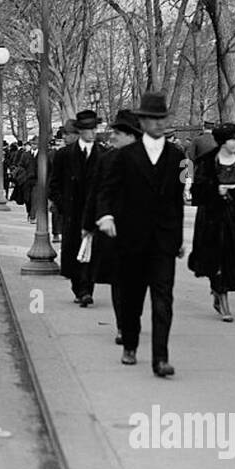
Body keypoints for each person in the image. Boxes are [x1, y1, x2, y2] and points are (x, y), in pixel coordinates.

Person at [94, 92, 186, 377]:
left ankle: (161, 357)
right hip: (131, 239)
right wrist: (106, 216)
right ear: (143, 122)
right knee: (133, 297)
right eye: (152, 119)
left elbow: (177, 199)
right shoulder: (125, 156)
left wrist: (179, 238)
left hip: (163, 240)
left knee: (163, 299)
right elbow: (108, 190)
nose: (158, 124)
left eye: (162, 119)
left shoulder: (177, 156)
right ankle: (130, 345)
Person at [188, 122, 235, 322]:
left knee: (233, 257)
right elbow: (197, 192)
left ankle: (220, 289)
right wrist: (215, 190)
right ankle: (222, 298)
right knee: (217, 256)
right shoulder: (206, 161)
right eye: (232, 139)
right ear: (222, 141)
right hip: (214, 217)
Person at [48, 111, 107, 306]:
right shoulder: (64, 155)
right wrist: (63, 204)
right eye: (88, 129)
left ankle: (87, 289)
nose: (92, 133)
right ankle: (78, 287)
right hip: (73, 212)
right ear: (80, 131)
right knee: (74, 250)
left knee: (93, 250)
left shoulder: (104, 154)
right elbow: (54, 184)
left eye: (94, 129)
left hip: (95, 212)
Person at [94, 110, 140, 345]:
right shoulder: (108, 160)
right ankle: (123, 325)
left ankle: (133, 320)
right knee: (120, 281)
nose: (113, 137)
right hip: (117, 231)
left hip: (144, 231)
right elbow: (100, 194)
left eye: (118, 133)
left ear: (132, 136)